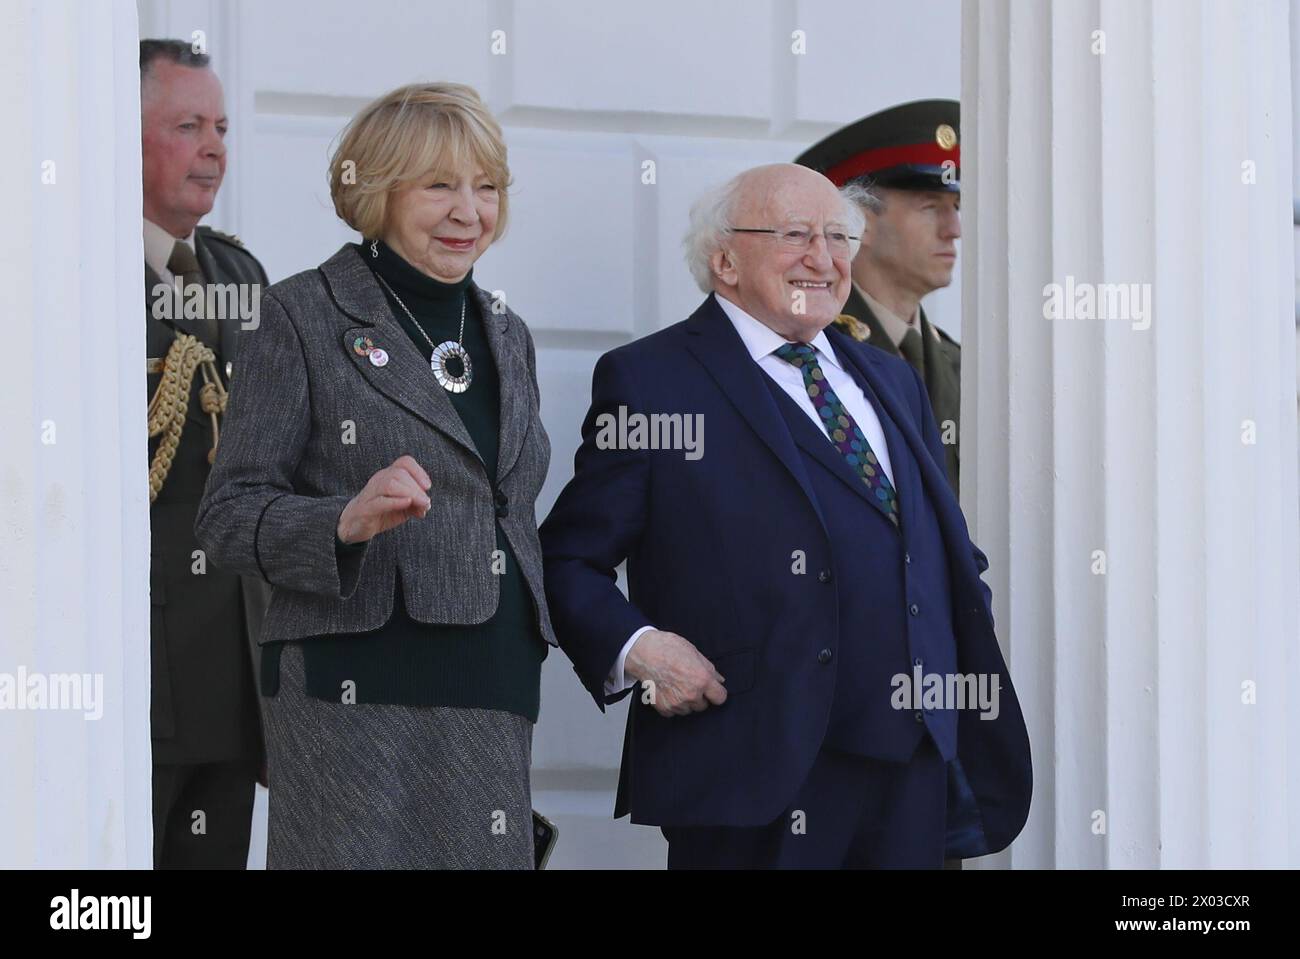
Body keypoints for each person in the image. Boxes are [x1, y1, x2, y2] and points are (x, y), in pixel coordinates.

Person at [539, 163, 1031, 868]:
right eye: (796, 234)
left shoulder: (891, 379)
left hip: (914, 768)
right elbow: (566, 560)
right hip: (754, 773)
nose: (824, 258)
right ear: (725, 258)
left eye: (839, 236)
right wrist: (638, 648)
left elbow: (937, 547)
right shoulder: (651, 380)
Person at [195, 82, 555, 869]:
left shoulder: (506, 330)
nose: (471, 211)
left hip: (493, 682)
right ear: (377, 191)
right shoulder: (300, 314)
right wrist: (341, 521)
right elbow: (227, 516)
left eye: (486, 186)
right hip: (356, 689)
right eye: (439, 185)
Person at [141, 38, 269, 870]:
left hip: (232, 662)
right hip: (134, 667)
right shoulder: (71, 270)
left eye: (220, 125)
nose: (216, 147)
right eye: (189, 125)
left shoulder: (238, 272)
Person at [797, 100, 964, 492]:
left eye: (956, 207)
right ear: (859, 223)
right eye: (930, 207)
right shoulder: (808, 352)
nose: (954, 228)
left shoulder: (958, 364)